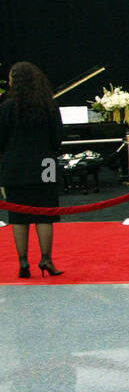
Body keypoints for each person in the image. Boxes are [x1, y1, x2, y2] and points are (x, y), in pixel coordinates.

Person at [0, 63, 64, 278]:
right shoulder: (49, 106)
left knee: (18, 216)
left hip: (15, 165)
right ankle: (46, 259)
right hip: (45, 164)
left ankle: (23, 262)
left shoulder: (6, 108)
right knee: (45, 215)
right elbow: (57, 139)